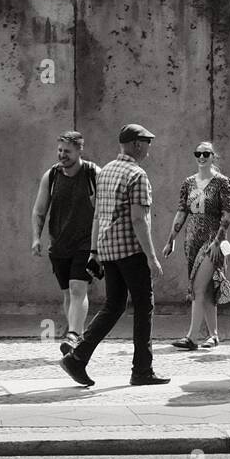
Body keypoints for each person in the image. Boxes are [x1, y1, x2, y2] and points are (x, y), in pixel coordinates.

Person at [58, 123, 170, 388]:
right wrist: (152, 258)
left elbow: (97, 214)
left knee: (114, 305)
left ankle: (78, 357)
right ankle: (142, 370)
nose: (149, 148)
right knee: (144, 307)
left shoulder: (106, 170)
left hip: (108, 251)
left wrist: (95, 251)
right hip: (131, 251)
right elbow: (139, 220)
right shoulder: (137, 175)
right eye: (147, 143)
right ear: (136, 145)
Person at [31, 131, 101, 351]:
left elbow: (105, 209)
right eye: (60, 150)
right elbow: (39, 210)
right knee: (67, 294)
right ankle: (73, 334)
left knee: (78, 288)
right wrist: (36, 238)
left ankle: (74, 336)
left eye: (67, 151)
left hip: (85, 243)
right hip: (59, 244)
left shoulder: (93, 174)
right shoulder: (51, 176)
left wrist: (98, 246)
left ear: (80, 150)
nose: (62, 155)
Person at [163, 142, 230, 349]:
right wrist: (171, 239)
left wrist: (217, 241)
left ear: (213, 156)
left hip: (212, 239)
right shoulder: (188, 183)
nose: (201, 157)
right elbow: (182, 211)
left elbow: (227, 214)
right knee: (206, 289)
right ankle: (213, 335)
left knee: (197, 287)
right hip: (191, 240)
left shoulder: (223, 182)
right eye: (198, 153)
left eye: (205, 153)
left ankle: (192, 336)